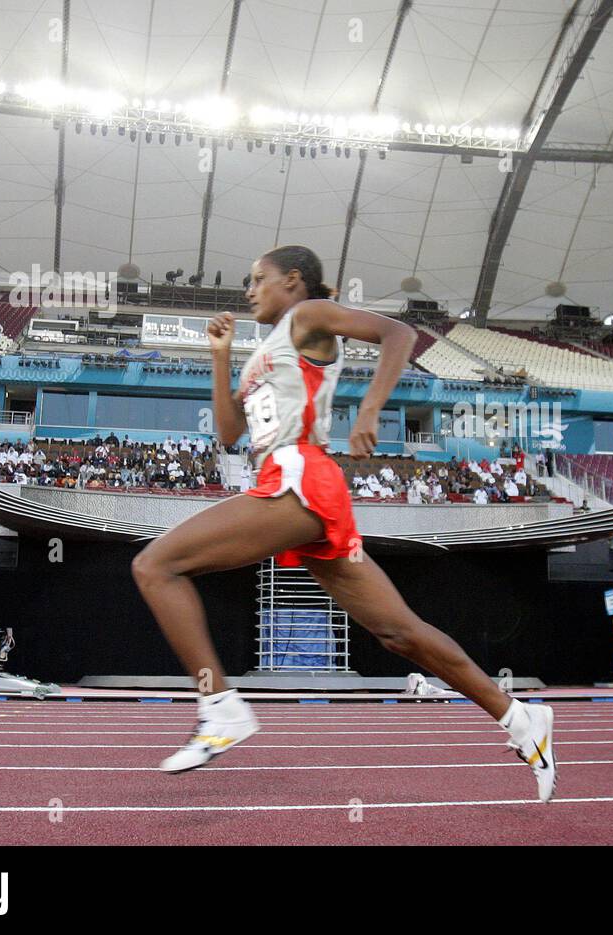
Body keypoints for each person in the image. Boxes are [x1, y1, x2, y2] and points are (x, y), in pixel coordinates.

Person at [130, 245, 556, 801]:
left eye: (259, 279)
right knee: (398, 632)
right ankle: (520, 718)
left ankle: (219, 705)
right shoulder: (262, 351)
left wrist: (373, 408)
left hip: (298, 480)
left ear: (294, 281)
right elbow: (230, 434)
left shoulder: (305, 317)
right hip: (299, 495)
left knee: (155, 565)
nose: (250, 290)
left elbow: (399, 334)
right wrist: (220, 355)